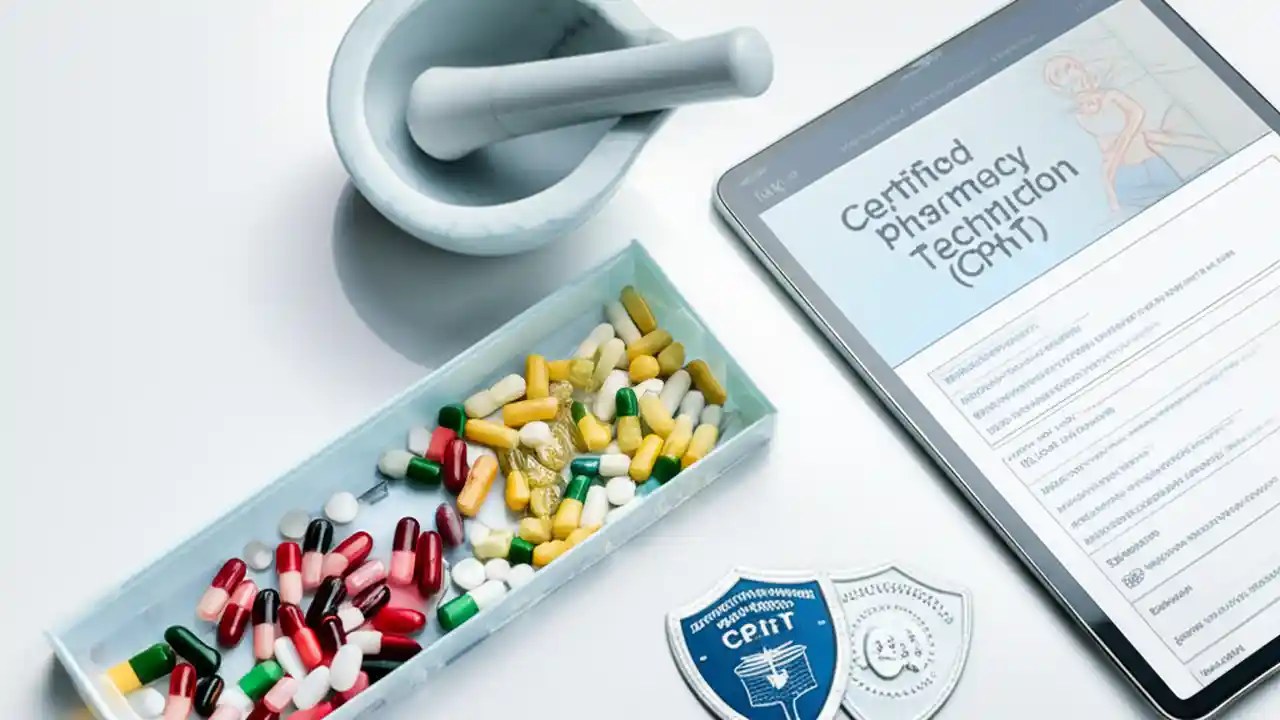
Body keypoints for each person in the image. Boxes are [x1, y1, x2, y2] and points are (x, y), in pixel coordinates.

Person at [1043, 54, 1221, 212]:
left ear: (1078, 66)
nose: (1067, 71)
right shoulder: (1079, 117)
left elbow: (1137, 115)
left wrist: (1122, 144)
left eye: (1068, 66)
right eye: (1058, 74)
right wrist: (1110, 182)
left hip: (1150, 164)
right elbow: (1104, 154)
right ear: (1057, 87)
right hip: (1125, 176)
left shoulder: (1111, 96)